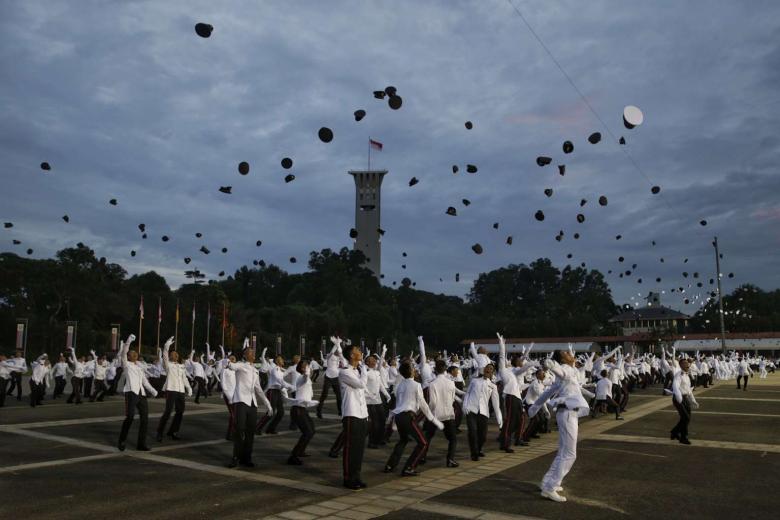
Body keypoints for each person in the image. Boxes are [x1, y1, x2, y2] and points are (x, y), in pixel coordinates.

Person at [529, 349, 596, 503]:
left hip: (568, 413)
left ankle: (548, 482)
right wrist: (551, 365)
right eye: (567, 353)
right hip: (567, 414)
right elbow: (562, 373)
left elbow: (549, 392)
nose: (571, 354)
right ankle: (550, 488)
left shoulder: (570, 371)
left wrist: (535, 407)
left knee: (563, 452)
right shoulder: (565, 370)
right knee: (570, 454)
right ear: (563, 360)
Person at [384, 352, 444, 477]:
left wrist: (393, 420)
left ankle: (390, 465)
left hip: (400, 417)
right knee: (423, 443)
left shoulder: (401, 385)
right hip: (407, 417)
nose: (415, 370)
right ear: (411, 372)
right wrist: (434, 420)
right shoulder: (416, 385)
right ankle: (409, 467)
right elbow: (424, 405)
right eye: (413, 368)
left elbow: (399, 404)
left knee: (403, 440)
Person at [225, 342, 273, 468]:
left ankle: (246, 458)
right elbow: (232, 366)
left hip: (252, 403)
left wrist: (268, 404)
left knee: (250, 432)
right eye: (250, 352)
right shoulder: (241, 365)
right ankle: (235, 457)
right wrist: (228, 361)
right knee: (240, 430)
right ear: (245, 356)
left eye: (253, 352)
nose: (253, 354)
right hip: (241, 401)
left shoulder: (255, 371)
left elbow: (258, 389)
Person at [117, 334, 158, 451]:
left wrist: (153, 390)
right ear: (129, 357)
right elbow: (123, 353)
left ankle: (141, 444)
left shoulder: (139, 366)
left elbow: (144, 381)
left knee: (144, 419)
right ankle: (122, 440)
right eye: (132, 354)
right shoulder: (126, 365)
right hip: (131, 393)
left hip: (142, 394)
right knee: (130, 417)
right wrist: (128, 340)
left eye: (136, 354)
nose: (135, 355)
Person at [337, 339, 369, 490]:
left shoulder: (358, 371)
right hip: (351, 413)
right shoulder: (344, 372)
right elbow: (361, 384)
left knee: (359, 448)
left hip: (362, 414)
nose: (361, 353)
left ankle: (357, 476)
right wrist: (365, 371)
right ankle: (348, 478)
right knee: (350, 447)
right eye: (358, 350)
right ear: (351, 355)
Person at [421, 358, 463, 467]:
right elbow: (454, 397)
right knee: (452, 439)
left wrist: (429, 413)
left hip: (436, 415)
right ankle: (450, 460)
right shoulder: (451, 383)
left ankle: (422, 456)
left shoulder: (432, 384)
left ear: (435, 369)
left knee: (428, 437)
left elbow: (433, 402)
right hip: (448, 414)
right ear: (445, 369)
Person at [463, 362, 502, 461]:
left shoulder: (493, 386)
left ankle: (479, 449)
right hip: (471, 409)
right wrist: (465, 405)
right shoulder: (474, 381)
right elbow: (467, 393)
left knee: (483, 435)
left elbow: (495, 403)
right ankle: (474, 453)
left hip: (484, 412)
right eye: (487, 367)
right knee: (472, 432)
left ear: (492, 373)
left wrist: (499, 418)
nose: (488, 369)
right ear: (484, 369)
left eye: (491, 369)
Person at [156, 337, 193, 442]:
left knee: (180, 412)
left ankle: (173, 431)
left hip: (181, 391)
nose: (176, 355)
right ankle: (159, 432)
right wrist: (167, 346)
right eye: (173, 354)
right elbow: (165, 356)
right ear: (170, 356)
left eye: (177, 354)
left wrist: (188, 388)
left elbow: (184, 378)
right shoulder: (168, 365)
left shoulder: (181, 366)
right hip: (171, 389)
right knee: (168, 412)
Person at [287, 359, 319, 465]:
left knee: (312, 431)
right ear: (301, 369)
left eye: (308, 365)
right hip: (298, 410)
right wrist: (307, 372)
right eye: (305, 366)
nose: (308, 367)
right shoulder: (301, 378)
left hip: (302, 409)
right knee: (308, 432)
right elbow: (305, 377)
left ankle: (300, 451)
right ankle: (293, 456)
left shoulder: (307, 379)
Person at [257, 355, 294, 434]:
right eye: (281, 359)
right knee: (271, 412)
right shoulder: (275, 369)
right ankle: (257, 428)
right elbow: (280, 381)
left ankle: (270, 429)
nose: (283, 360)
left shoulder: (280, 370)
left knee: (281, 412)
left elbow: (282, 380)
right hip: (272, 392)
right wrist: (291, 386)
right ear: (277, 361)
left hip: (277, 391)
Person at [670, 358, 699, 445]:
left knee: (686, 418)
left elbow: (689, 390)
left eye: (687, 363)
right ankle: (681, 436)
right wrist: (679, 397)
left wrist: (693, 401)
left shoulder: (687, 375)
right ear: (681, 365)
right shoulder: (678, 375)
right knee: (686, 417)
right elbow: (675, 386)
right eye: (685, 363)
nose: (687, 365)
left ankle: (676, 433)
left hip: (685, 398)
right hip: (678, 398)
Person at [317, 337, 345, 419]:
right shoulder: (329, 356)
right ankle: (319, 411)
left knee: (339, 396)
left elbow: (340, 352)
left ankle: (340, 411)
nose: (337, 351)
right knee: (324, 395)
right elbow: (333, 351)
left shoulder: (338, 357)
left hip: (335, 377)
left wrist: (338, 343)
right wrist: (336, 343)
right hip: (328, 376)